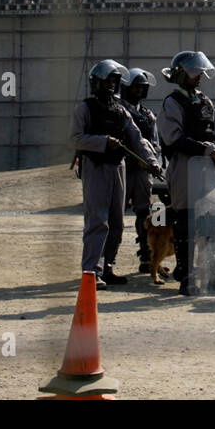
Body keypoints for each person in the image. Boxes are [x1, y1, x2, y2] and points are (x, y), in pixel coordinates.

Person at [157, 50, 215, 296]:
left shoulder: (204, 101)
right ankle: (186, 279)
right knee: (185, 224)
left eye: (201, 72)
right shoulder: (172, 102)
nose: (200, 76)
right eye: (194, 72)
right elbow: (173, 137)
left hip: (208, 170)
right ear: (181, 74)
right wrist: (209, 150)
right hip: (185, 167)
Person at [70, 59, 157, 290]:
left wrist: (152, 161)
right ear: (95, 82)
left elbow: (137, 139)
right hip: (95, 167)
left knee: (116, 222)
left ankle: (107, 266)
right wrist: (103, 142)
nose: (110, 85)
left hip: (119, 167)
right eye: (106, 80)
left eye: (114, 81)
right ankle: (91, 271)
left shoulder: (121, 111)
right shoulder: (85, 109)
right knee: (98, 221)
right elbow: (75, 139)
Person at [118, 67, 164, 274]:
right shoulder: (117, 110)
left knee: (145, 212)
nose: (139, 91)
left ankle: (146, 254)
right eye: (136, 87)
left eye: (142, 88)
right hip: (120, 167)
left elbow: (155, 143)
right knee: (114, 214)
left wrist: (150, 160)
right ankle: (106, 261)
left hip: (142, 170)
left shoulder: (147, 115)